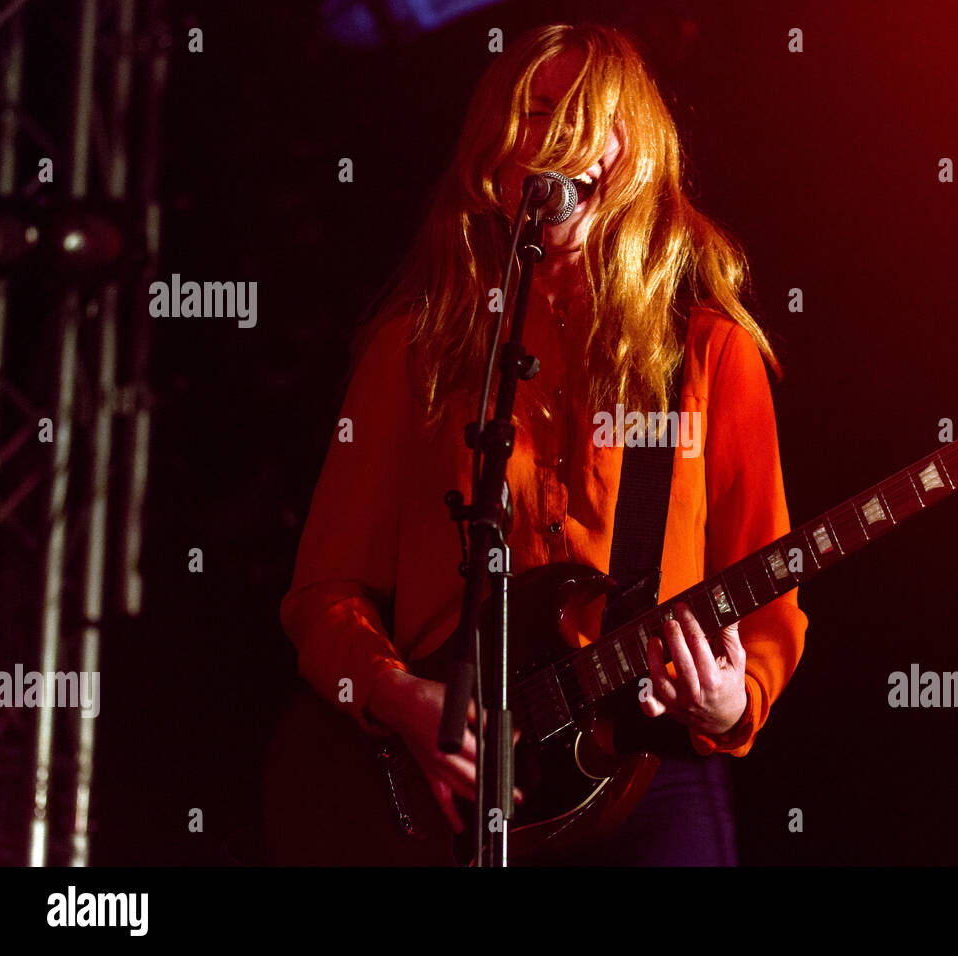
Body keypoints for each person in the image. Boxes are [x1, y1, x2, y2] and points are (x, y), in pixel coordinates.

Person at [280, 21, 807, 865]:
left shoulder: (708, 352)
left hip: (648, 772)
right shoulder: (414, 351)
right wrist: (399, 697)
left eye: (599, 117)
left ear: (641, 153)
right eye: (541, 111)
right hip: (438, 784)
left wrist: (730, 704)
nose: (571, 141)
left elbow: (770, 591)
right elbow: (324, 591)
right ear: (495, 152)